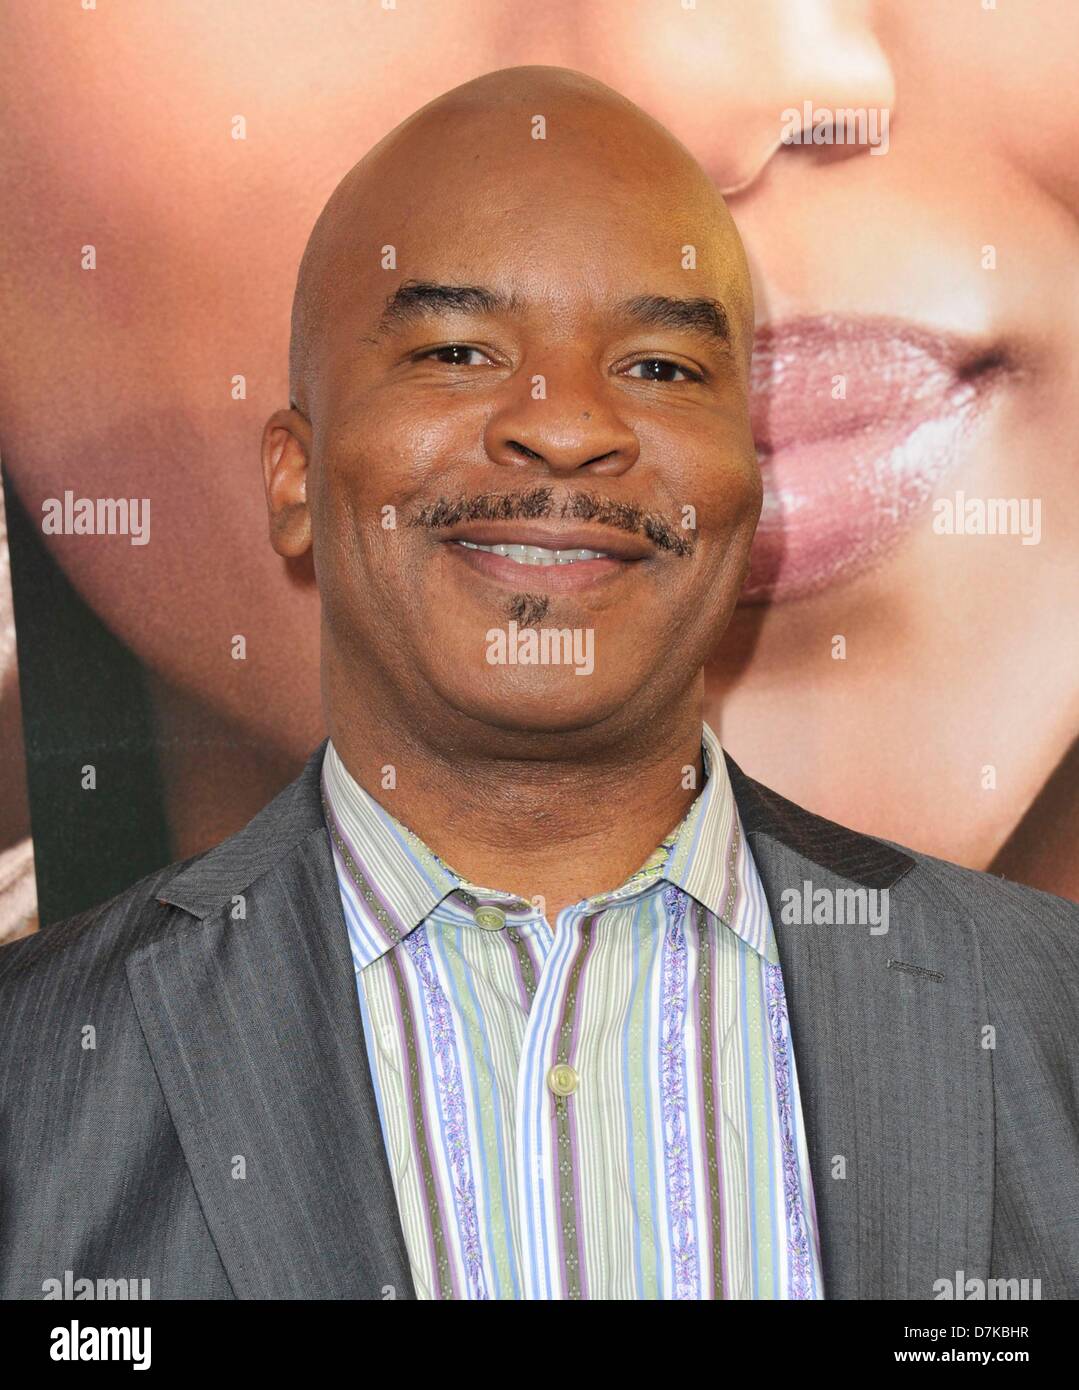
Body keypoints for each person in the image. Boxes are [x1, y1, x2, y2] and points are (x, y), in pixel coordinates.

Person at [1, 67, 1075, 1302]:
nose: (565, 430)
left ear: (748, 482)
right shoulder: (34, 1074)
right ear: (293, 476)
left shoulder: (1046, 1020)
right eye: (457, 352)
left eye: (660, 368)